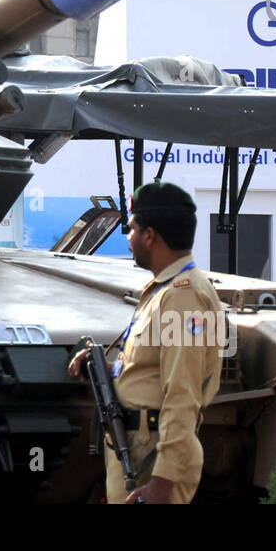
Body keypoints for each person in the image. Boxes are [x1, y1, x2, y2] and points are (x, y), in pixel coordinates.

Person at [68, 181, 223, 504]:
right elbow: (151, 369)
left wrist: (162, 484)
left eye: (133, 229)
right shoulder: (163, 291)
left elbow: (183, 394)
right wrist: (107, 370)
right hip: (137, 452)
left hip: (155, 462)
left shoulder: (183, 295)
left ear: (150, 235)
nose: (129, 240)